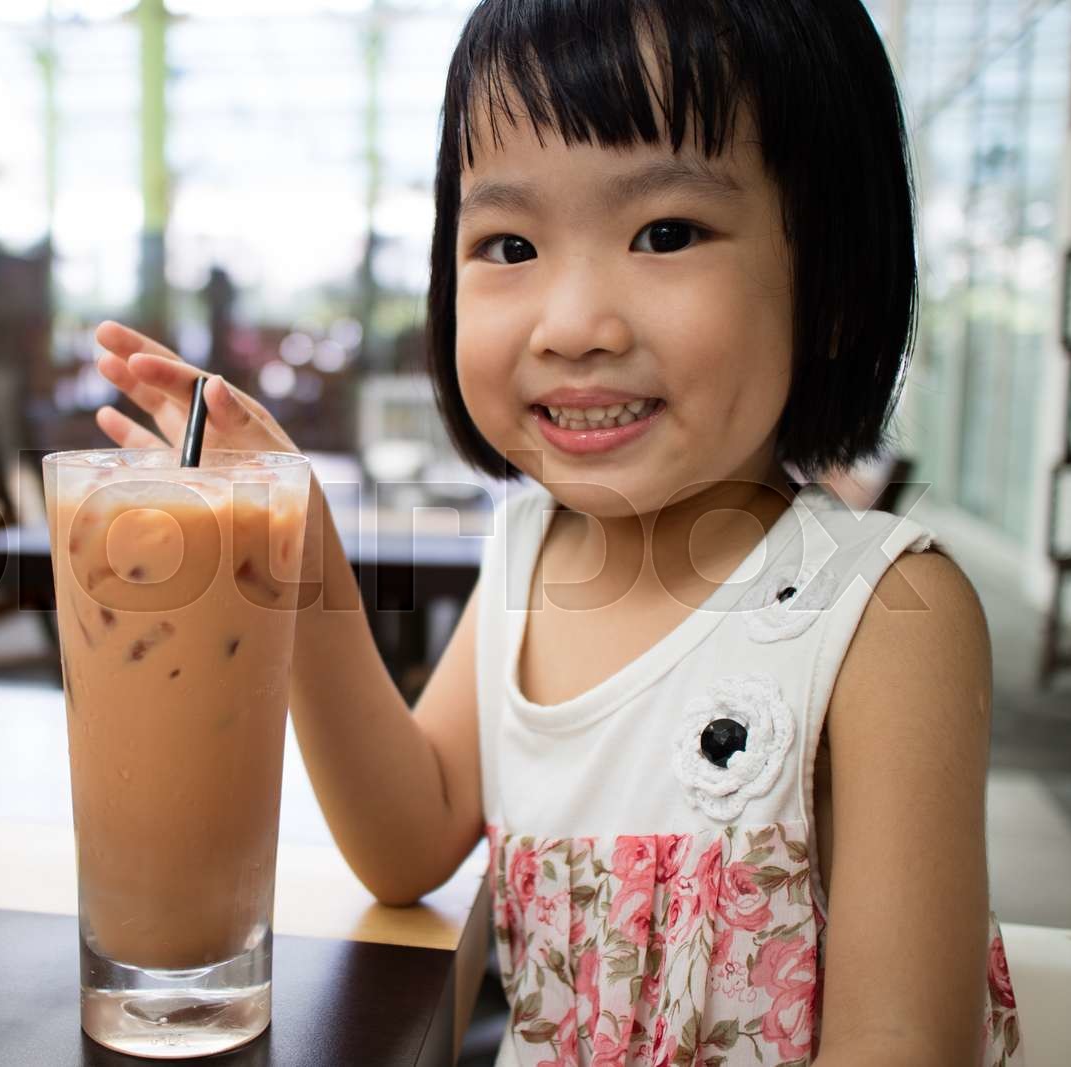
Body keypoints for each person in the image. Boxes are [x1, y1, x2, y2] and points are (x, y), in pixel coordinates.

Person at [86, 1, 1021, 1062]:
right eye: (510, 243)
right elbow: (407, 835)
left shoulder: (887, 619)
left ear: (835, 284)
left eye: (665, 232)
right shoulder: (531, 552)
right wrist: (290, 527)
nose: (572, 323)